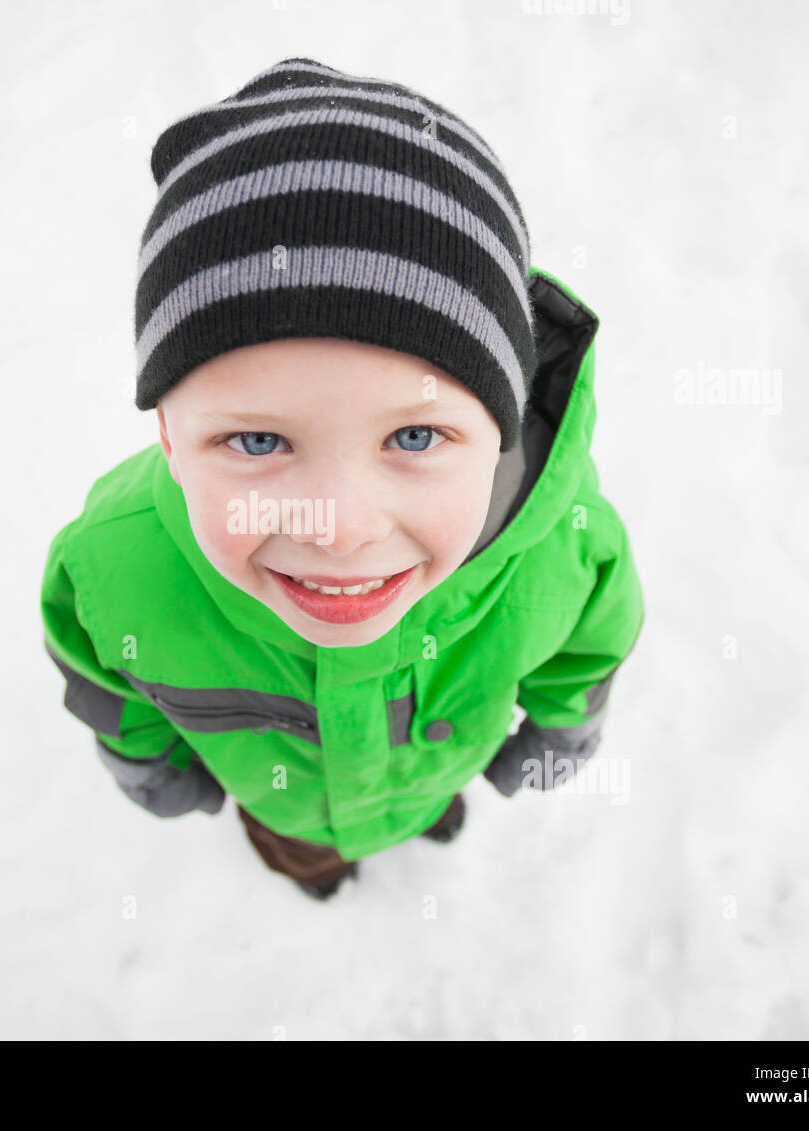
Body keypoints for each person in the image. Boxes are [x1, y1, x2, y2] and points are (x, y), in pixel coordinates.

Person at [40, 57, 645, 901]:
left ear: (498, 432)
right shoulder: (116, 564)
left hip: (437, 766)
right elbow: (109, 684)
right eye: (256, 439)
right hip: (280, 802)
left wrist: (562, 735)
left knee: (428, 795)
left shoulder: (566, 549)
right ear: (171, 440)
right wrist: (153, 769)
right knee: (298, 846)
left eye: (416, 433)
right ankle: (311, 862)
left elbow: (586, 651)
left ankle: (421, 811)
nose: (341, 527)